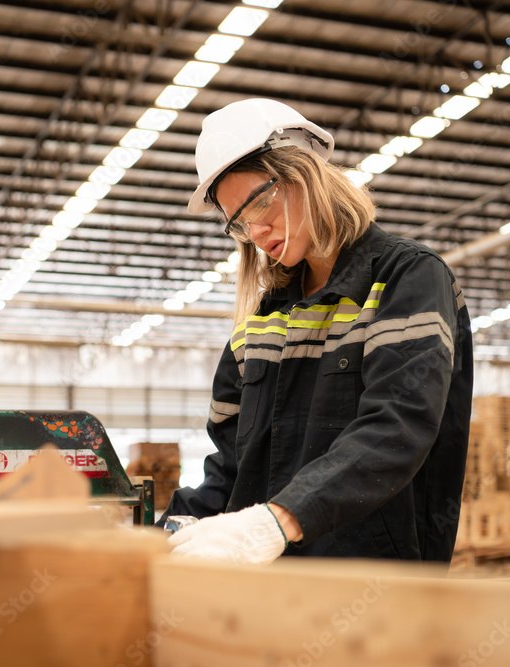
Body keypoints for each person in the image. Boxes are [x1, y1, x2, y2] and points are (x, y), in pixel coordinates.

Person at [159, 98, 472, 565]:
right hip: (271, 599)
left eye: (260, 202)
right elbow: (230, 467)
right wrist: (170, 531)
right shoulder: (261, 324)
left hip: (377, 600)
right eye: (239, 223)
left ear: (306, 172)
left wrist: (276, 521)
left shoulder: (407, 281)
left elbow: (396, 430)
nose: (258, 229)